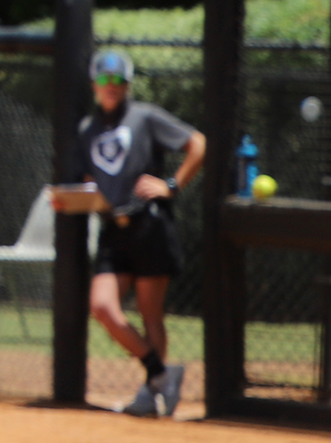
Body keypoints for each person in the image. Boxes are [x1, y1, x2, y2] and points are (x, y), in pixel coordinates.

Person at [72, 49, 205, 418]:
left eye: (118, 80)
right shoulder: (87, 129)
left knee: (150, 314)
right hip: (113, 231)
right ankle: (162, 374)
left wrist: (171, 185)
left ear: (128, 84)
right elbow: (91, 179)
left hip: (150, 225)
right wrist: (73, 199)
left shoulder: (145, 117)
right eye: (104, 79)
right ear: (94, 84)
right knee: (102, 307)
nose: (111, 86)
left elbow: (198, 144)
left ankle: (150, 394)